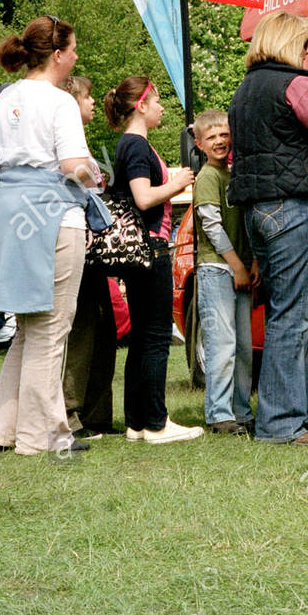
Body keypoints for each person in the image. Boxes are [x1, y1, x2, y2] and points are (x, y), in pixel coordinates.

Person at [0, 15, 102, 457]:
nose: (76, 56)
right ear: (56, 54)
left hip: (8, 214)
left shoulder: (1, 98)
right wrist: (97, 174)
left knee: (29, 330)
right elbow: (73, 166)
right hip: (53, 215)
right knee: (51, 330)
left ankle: (1, 430)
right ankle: (39, 437)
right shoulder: (60, 101)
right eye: (72, 49)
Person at [227, 11, 308, 445]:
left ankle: (300, 417)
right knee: (291, 320)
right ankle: (281, 424)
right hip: (291, 207)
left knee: (285, 315)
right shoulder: (294, 84)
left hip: (257, 211)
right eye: (305, 45)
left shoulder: (243, 91)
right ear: (289, 44)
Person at [106, 75, 203, 445]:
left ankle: (136, 422)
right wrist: (179, 183)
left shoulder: (130, 145)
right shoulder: (135, 146)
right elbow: (143, 198)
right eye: (157, 99)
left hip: (141, 252)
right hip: (150, 249)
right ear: (140, 106)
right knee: (157, 336)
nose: (162, 106)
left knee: (144, 336)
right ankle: (156, 423)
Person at [58, 75, 117, 439]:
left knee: (102, 328)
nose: (93, 103)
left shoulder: (82, 145)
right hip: (74, 243)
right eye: (87, 97)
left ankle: (96, 413)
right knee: (79, 329)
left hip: (90, 250)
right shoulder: (64, 148)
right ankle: (69, 412)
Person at [191, 109, 254, 435]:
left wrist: (252, 262)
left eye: (224, 135)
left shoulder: (234, 174)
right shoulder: (207, 178)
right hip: (218, 269)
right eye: (212, 137)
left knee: (244, 346)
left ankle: (242, 411)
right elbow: (212, 227)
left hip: (241, 268)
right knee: (222, 343)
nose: (219, 141)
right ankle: (219, 414)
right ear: (200, 144)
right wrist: (237, 265)